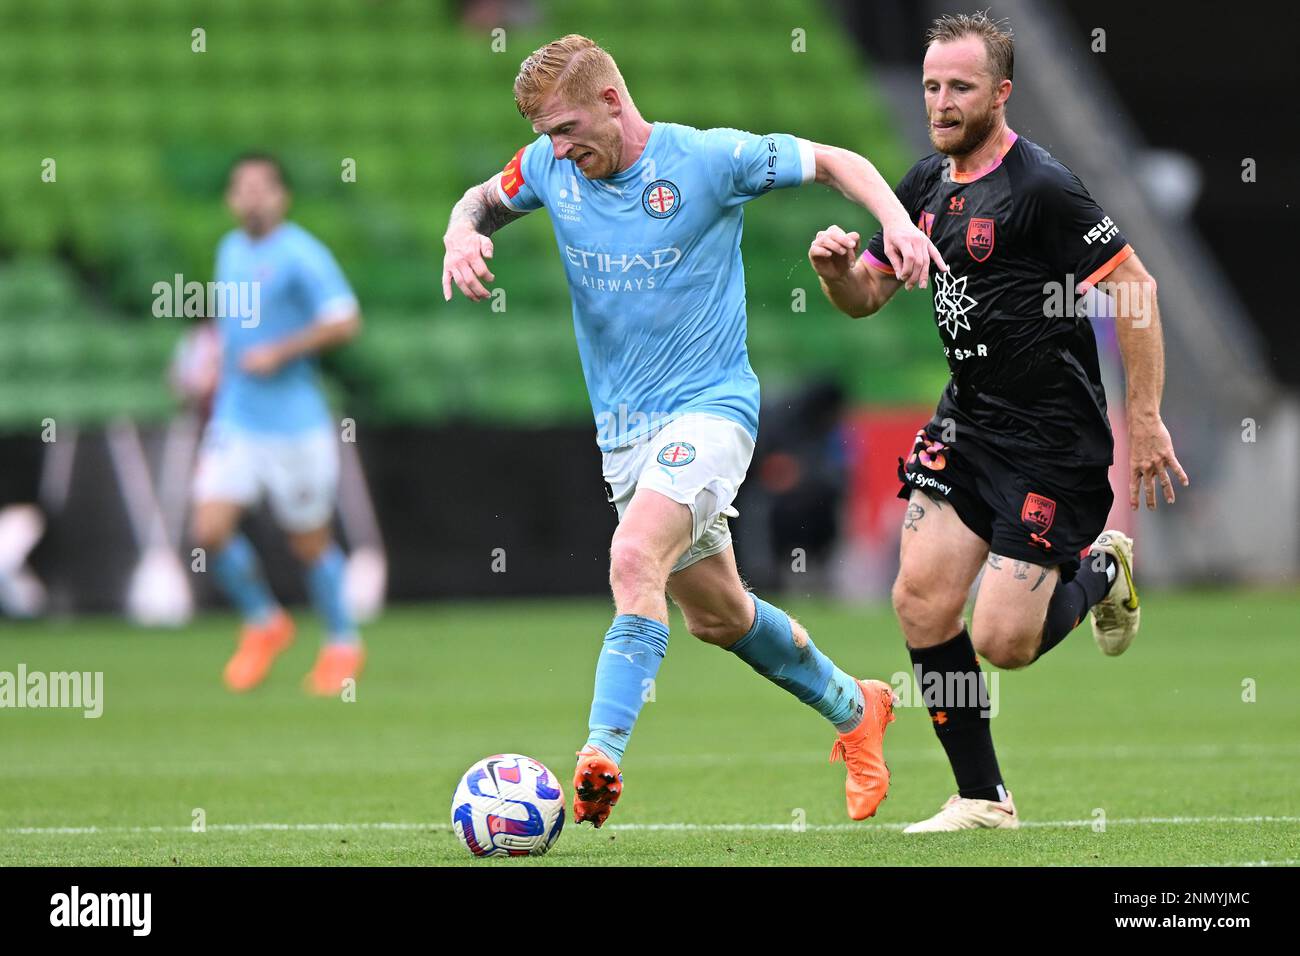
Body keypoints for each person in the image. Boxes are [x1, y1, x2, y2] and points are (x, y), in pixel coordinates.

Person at [442, 34, 947, 827]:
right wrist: (460, 232)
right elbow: (481, 198)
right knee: (719, 617)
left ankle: (600, 752)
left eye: (568, 129)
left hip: (710, 413)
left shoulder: (709, 160)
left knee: (634, 556)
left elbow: (836, 159)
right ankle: (859, 709)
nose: (558, 149)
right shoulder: (547, 168)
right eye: (546, 135)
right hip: (624, 437)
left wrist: (897, 222)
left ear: (613, 101)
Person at [809, 12, 1188, 831]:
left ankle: (1102, 572)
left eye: (961, 87)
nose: (941, 102)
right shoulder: (922, 186)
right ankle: (983, 798)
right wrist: (839, 272)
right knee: (918, 601)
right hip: (970, 425)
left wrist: (1146, 419)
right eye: (932, 86)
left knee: (1004, 641)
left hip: (1052, 444)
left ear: (1002, 93)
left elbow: (1137, 290)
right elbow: (869, 297)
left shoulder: (1042, 188)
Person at [191, 153, 365, 696]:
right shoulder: (229, 250)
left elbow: (345, 319)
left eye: (263, 187)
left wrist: (281, 352)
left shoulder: (302, 254)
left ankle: (341, 642)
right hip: (237, 417)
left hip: (295, 425)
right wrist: (215, 359)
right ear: (229, 199)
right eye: (241, 187)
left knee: (308, 543)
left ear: (281, 196)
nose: (252, 197)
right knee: (209, 530)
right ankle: (265, 621)